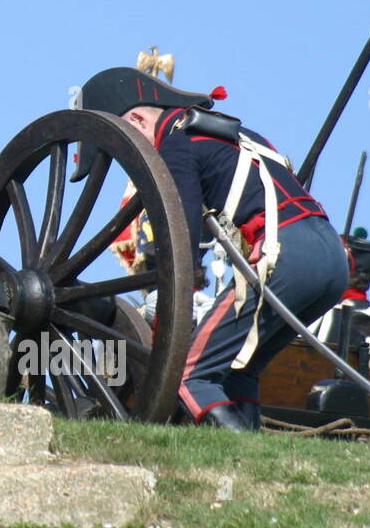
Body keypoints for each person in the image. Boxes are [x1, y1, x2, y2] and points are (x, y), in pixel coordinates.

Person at [77, 66, 348, 431]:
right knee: (239, 370)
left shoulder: (174, 138)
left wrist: (166, 321)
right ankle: (247, 457)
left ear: (138, 120)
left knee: (190, 376)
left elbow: (180, 232)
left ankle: (233, 443)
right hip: (333, 261)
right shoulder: (238, 134)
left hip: (286, 255)